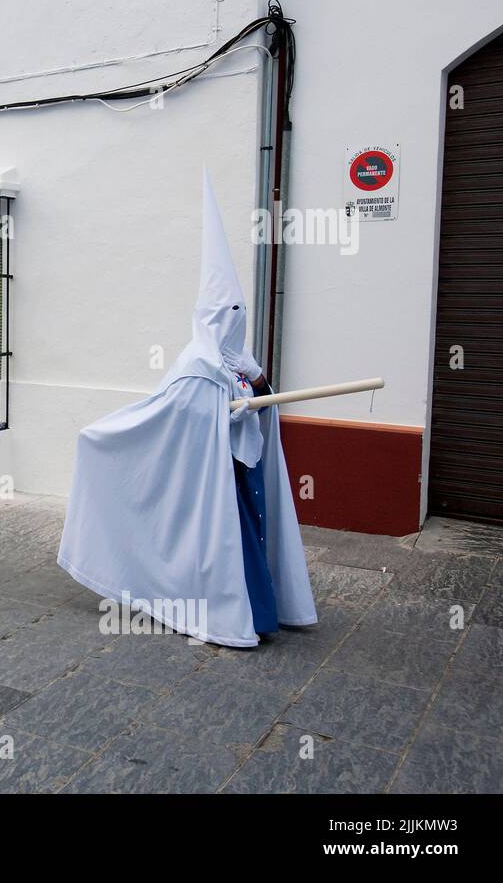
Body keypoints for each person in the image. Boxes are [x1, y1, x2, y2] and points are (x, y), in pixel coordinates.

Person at [57, 169, 317, 647]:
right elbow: (176, 414)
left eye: (240, 312)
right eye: (226, 315)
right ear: (208, 317)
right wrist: (226, 413)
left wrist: (252, 384)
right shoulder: (196, 361)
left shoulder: (237, 357)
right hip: (209, 475)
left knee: (250, 539)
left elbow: (262, 398)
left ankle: (259, 614)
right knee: (226, 542)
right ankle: (229, 614)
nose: (234, 322)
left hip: (242, 467)